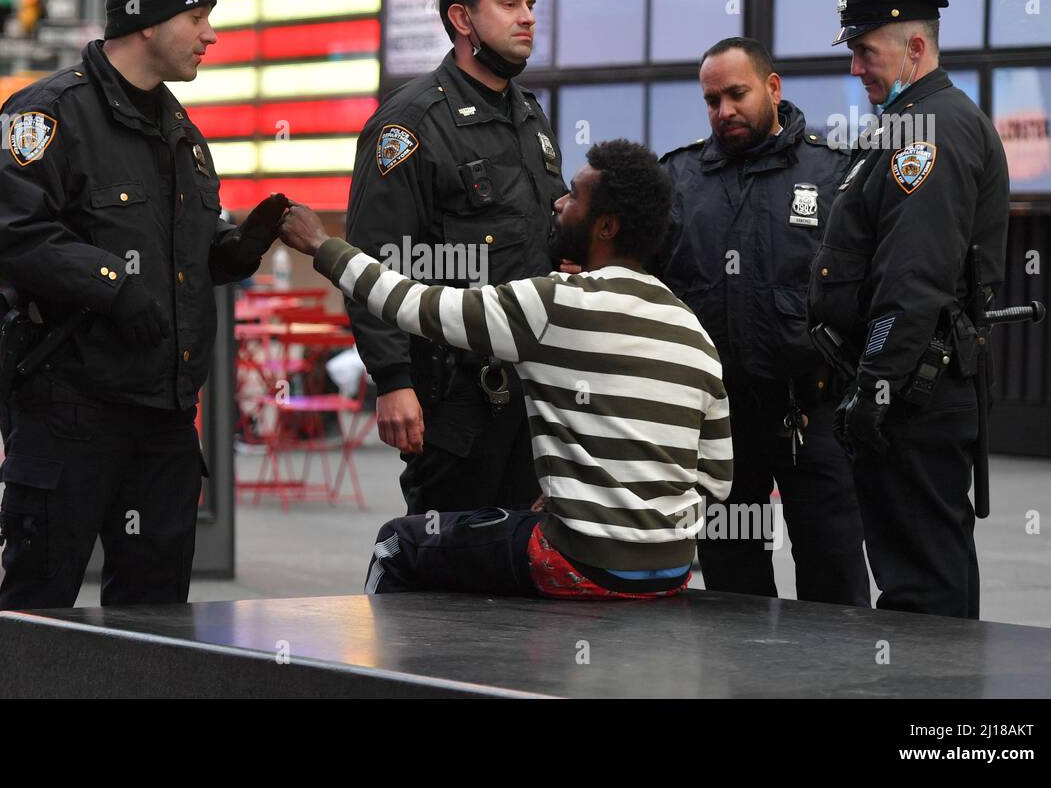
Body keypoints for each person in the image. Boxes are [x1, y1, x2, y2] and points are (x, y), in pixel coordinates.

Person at [280, 140, 733, 599]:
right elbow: (716, 479)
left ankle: (402, 674)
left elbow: (415, 305)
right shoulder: (691, 330)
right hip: (672, 570)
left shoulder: (554, 304)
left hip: (580, 562)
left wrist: (322, 245)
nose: (557, 203)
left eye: (574, 196)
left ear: (606, 226)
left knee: (398, 545)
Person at [0, 0, 288, 610]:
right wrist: (112, 282)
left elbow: (184, 259)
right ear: (146, 21)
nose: (211, 34)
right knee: (40, 617)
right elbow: (12, 232)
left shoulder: (183, 134)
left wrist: (238, 249)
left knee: (155, 623)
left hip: (164, 420)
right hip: (70, 412)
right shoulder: (46, 112)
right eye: (198, 16)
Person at [808, 0, 1010, 619]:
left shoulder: (928, 133)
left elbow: (912, 279)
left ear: (915, 48)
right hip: (914, 387)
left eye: (866, 50)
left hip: (914, 393)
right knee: (919, 572)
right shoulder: (909, 123)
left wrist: (877, 388)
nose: (855, 66)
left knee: (921, 588)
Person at [344, 0, 568, 516]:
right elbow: (374, 261)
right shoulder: (411, 123)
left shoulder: (530, 117)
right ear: (462, 19)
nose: (528, 18)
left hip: (535, 393)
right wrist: (393, 380)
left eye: (531, 4)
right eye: (509, 3)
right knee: (445, 577)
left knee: (526, 572)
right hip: (454, 395)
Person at [656, 38, 869, 607]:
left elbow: (867, 294)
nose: (723, 111)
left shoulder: (834, 175)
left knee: (834, 577)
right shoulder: (678, 181)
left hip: (815, 414)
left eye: (736, 94)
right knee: (730, 585)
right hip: (719, 423)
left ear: (772, 89)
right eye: (711, 100)